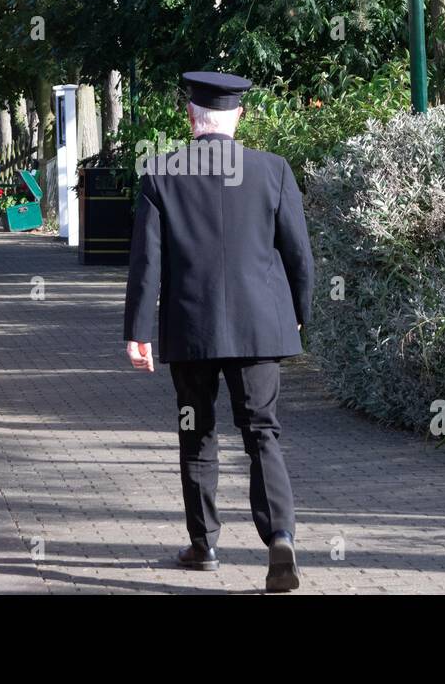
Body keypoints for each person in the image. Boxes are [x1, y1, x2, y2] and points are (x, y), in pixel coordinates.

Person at [123, 71, 314, 593]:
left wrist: (138, 332)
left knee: (196, 431)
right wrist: (299, 313)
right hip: (260, 329)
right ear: (241, 117)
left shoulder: (160, 175)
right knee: (262, 432)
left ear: (190, 119)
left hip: (191, 330)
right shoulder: (273, 170)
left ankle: (204, 544)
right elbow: (299, 255)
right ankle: (280, 536)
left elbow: (146, 266)